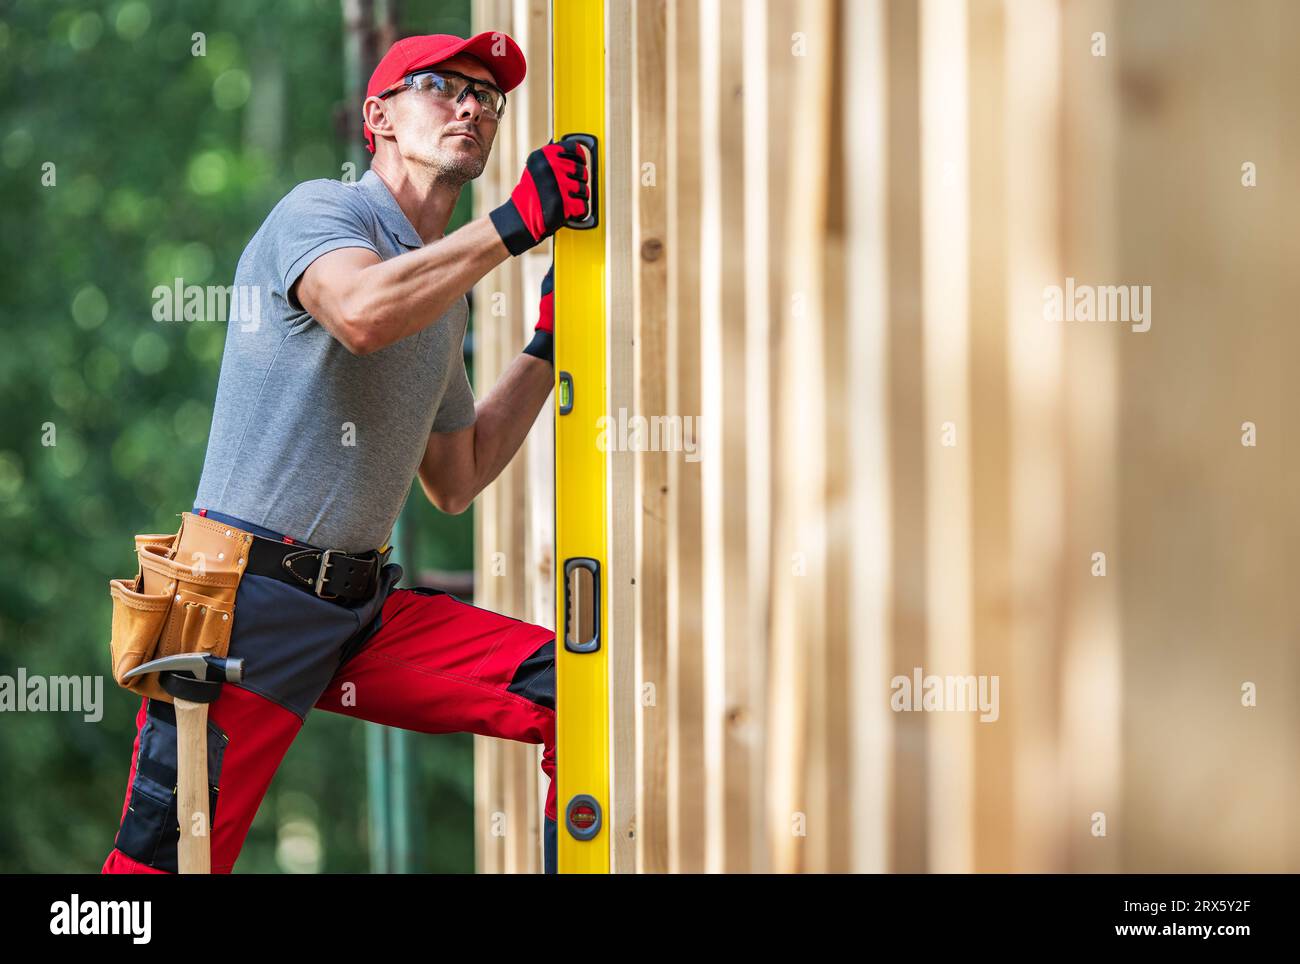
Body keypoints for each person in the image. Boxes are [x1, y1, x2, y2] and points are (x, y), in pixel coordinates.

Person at [101, 29, 589, 875]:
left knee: (573, 694)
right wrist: (512, 227)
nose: (470, 104)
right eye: (442, 86)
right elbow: (362, 314)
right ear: (379, 118)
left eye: (487, 95)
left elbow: (458, 475)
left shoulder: (441, 297)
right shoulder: (320, 213)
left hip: (361, 616)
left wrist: (545, 347)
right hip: (241, 610)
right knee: (158, 877)